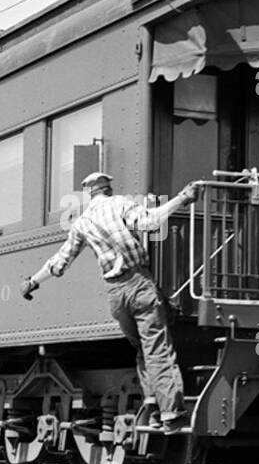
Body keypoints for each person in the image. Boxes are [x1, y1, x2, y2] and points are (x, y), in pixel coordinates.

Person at [21, 171, 198, 431]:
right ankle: (171, 413)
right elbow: (150, 221)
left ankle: (152, 407)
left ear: (89, 194)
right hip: (138, 285)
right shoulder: (120, 204)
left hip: (116, 296)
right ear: (108, 188)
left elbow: (59, 262)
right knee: (157, 348)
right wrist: (182, 198)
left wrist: (32, 281)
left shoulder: (82, 223)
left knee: (142, 348)